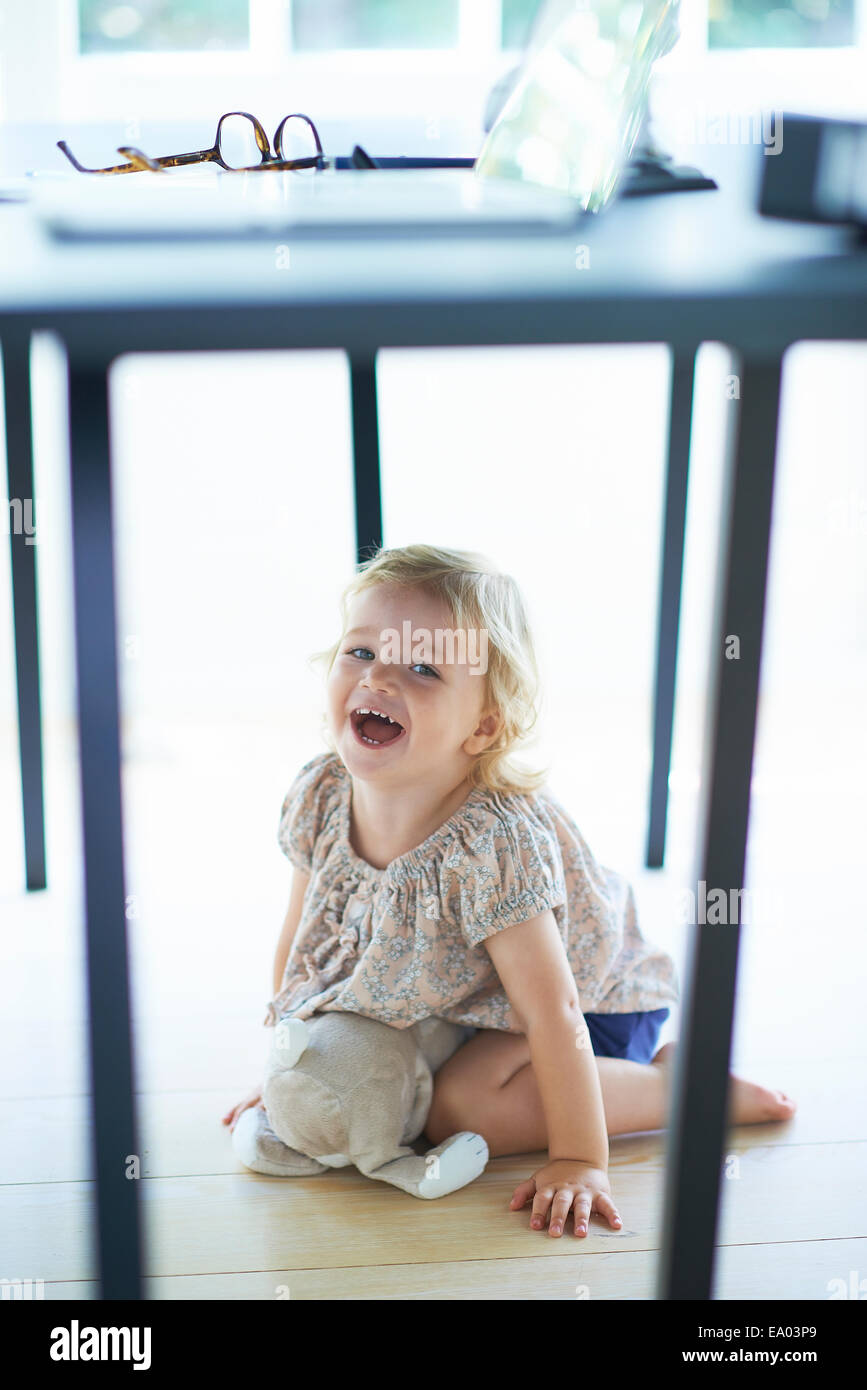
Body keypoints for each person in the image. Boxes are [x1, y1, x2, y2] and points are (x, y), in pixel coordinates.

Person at [222, 543, 795, 1239]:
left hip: (591, 1003)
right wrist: (298, 1064)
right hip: (463, 995)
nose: (379, 681)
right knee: (393, 1071)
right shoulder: (321, 791)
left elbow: (551, 1011)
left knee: (457, 1110)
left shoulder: (489, 842)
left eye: (423, 668)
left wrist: (580, 1159)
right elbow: (303, 940)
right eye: (362, 652)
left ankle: (686, 1091)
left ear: (483, 725)